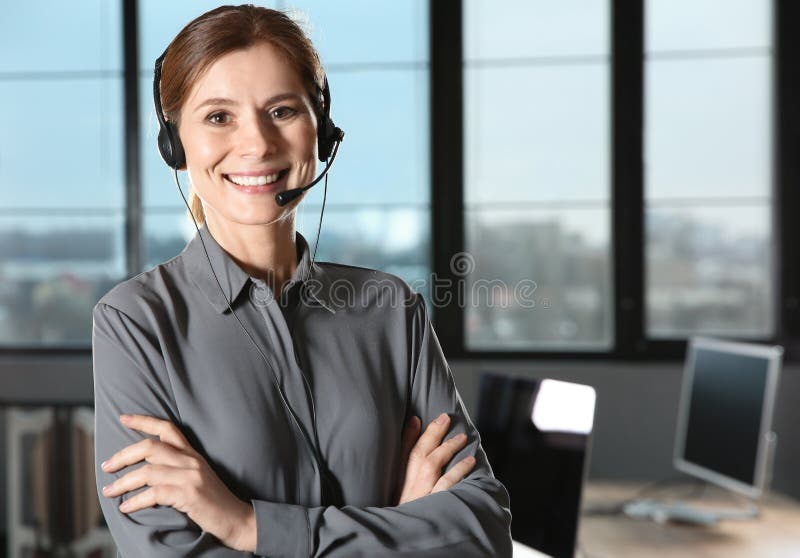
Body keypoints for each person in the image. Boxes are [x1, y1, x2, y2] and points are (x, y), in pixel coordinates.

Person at [92, 5, 512, 557]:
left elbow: (482, 532)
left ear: (323, 129)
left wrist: (248, 526)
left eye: (283, 110)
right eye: (219, 117)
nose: (258, 144)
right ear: (176, 144)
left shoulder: (391, 310)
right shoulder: (137, 323)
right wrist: (401, 529)